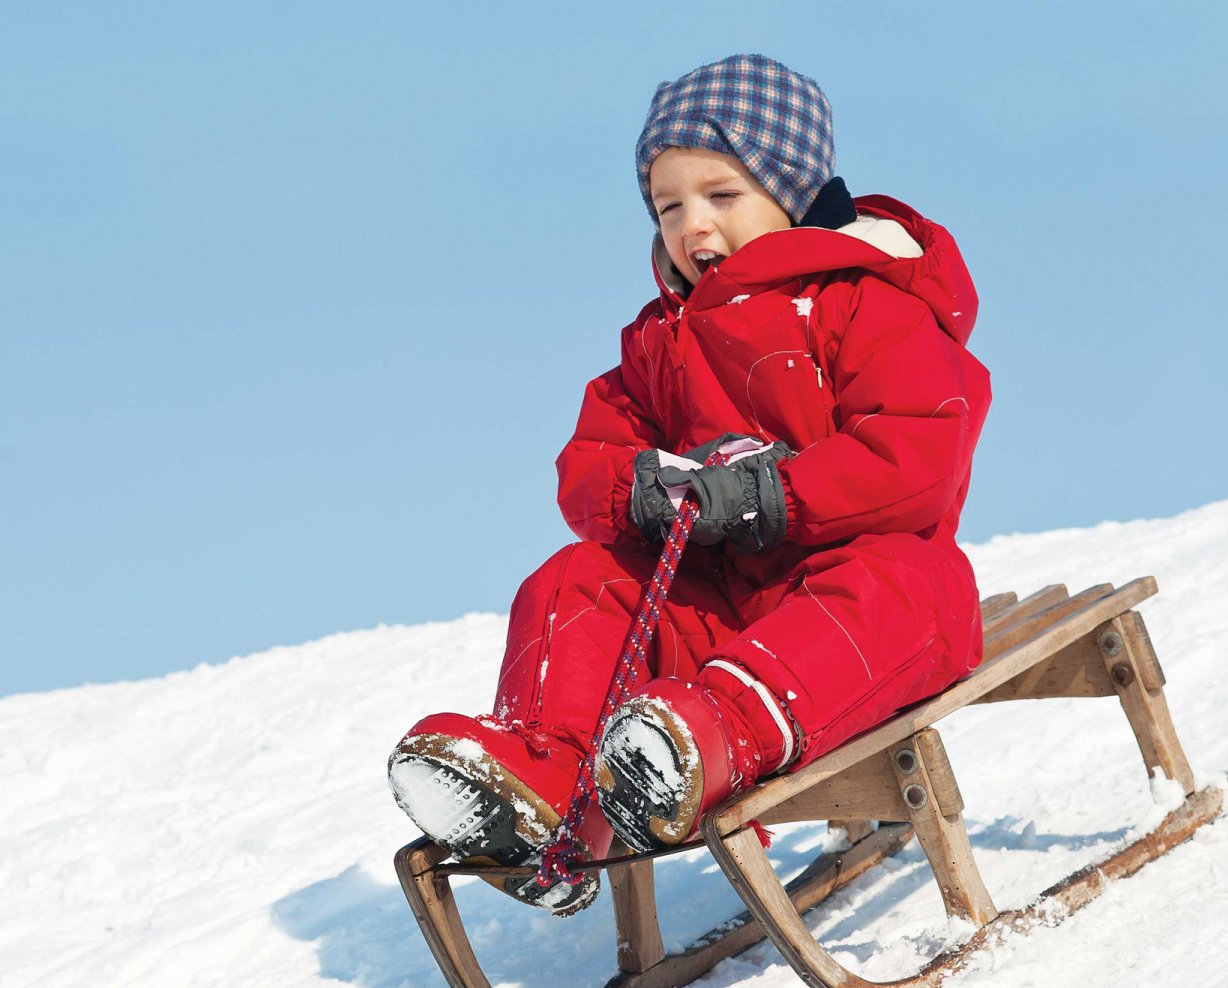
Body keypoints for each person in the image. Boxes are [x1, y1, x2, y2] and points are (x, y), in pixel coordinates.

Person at [387, 53, 992, 916]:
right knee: (576, 578)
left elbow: (919, 450)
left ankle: (701, 744)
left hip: (858, 604)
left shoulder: (863, 299)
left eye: (721, 195)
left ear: (794, 191)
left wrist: (776, 495)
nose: (691, 226)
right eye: (669, 207)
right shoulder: (664, 338)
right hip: (719, 609)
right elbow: (592, 450)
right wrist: (632, 487)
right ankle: (546, 784)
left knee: (900, 583)